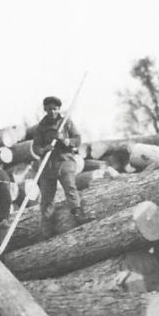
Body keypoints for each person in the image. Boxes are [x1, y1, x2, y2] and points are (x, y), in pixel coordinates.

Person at [32, 95, 90, 235]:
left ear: (59, 109)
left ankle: (78, 215)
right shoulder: (41, 126)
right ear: (45, 109)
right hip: (48, 164)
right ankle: (48, 227)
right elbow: (35, 146)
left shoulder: (66, 122)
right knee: (46, 197)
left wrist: (65, 140)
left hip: (65, 161)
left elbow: (77, 139)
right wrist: (43, 150)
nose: (52, 112)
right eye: (50, 109)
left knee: (70, 189)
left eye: (55, 109)